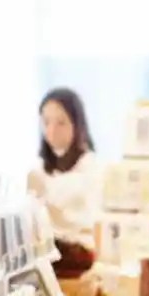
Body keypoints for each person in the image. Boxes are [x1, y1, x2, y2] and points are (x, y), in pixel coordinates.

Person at [26, 87, 101, 277]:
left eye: (61, 123)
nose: (51, 130)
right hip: (48, 247)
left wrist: (44, 194)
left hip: (78, 250)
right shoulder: (39, 169)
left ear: (77, 125)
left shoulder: (90, 166)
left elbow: (78, 208)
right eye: (46, 122)